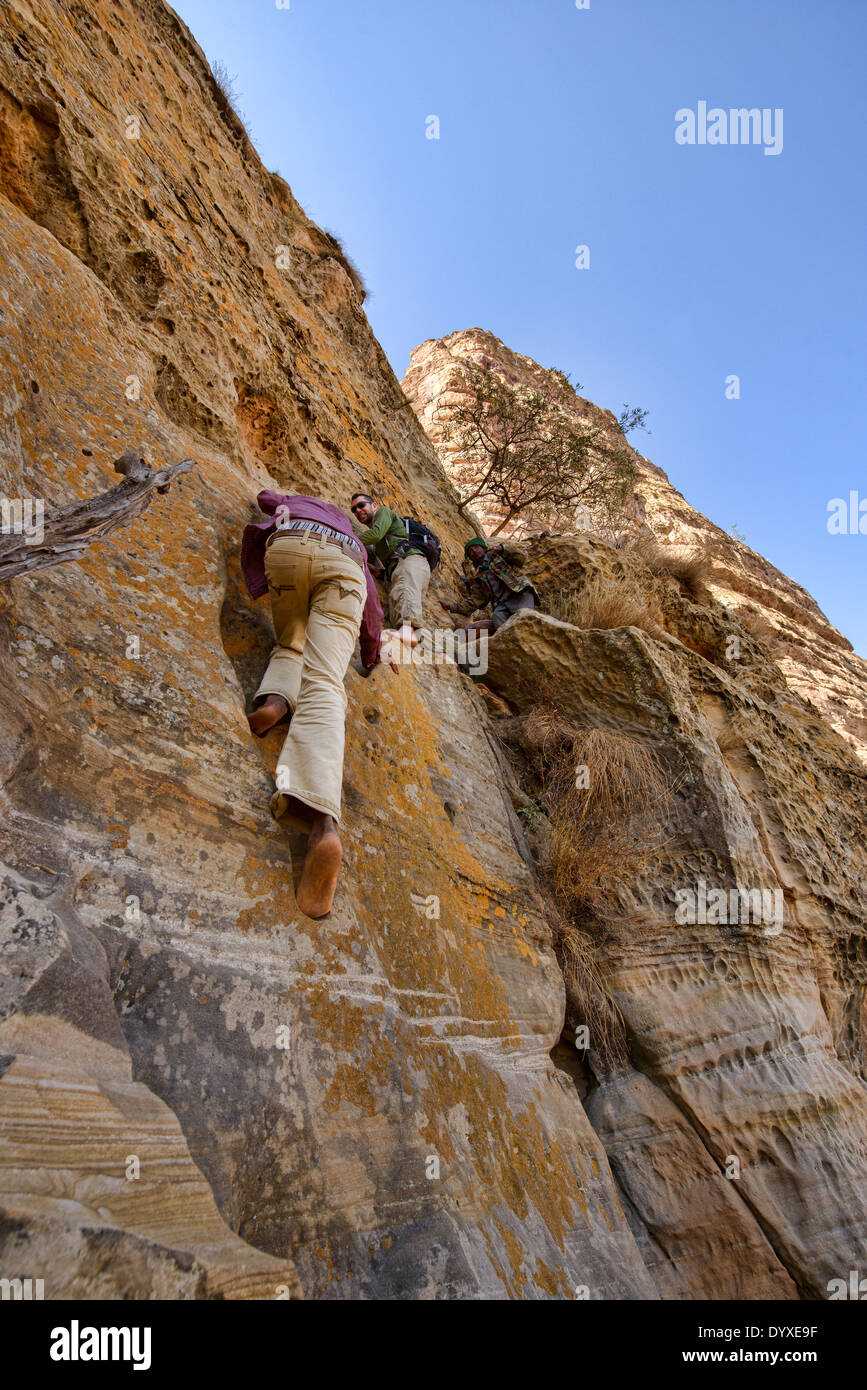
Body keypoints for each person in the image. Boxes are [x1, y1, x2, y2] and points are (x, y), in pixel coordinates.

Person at [241, 491, 387, 919]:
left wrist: (284, 502)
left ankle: (274, 702)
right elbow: (372, 608)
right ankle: (322, 821)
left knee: (290, 641)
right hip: (345, 569)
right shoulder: (356, 541)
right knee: (325, 679)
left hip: (290, 546)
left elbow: (265, 498)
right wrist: (373, 653)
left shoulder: (299, 501)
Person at [349, 493, 431, 635]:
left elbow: (376, 534)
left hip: (410, 560)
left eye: (361, 505)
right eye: (353, 510)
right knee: (397, 602)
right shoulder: (379, 542)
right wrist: (379, 571)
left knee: (404, 590)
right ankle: (423, 646)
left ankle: (407, 631)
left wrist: (346, 538)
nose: (357, 511)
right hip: (401, 567)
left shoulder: (383, 512)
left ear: (374, 505)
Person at [445, 537, 538, 634]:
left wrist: (503, 549)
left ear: (484, 548)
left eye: (476, 547)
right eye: (470, 552)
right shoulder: (477, 576)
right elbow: (476, 600)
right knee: (503, 630)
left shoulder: (498, 554)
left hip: (519, 594)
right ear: (471, 558)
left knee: (525, 624)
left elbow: (522, 557)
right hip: (501, 605)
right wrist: (451, 607)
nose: (474, 551)